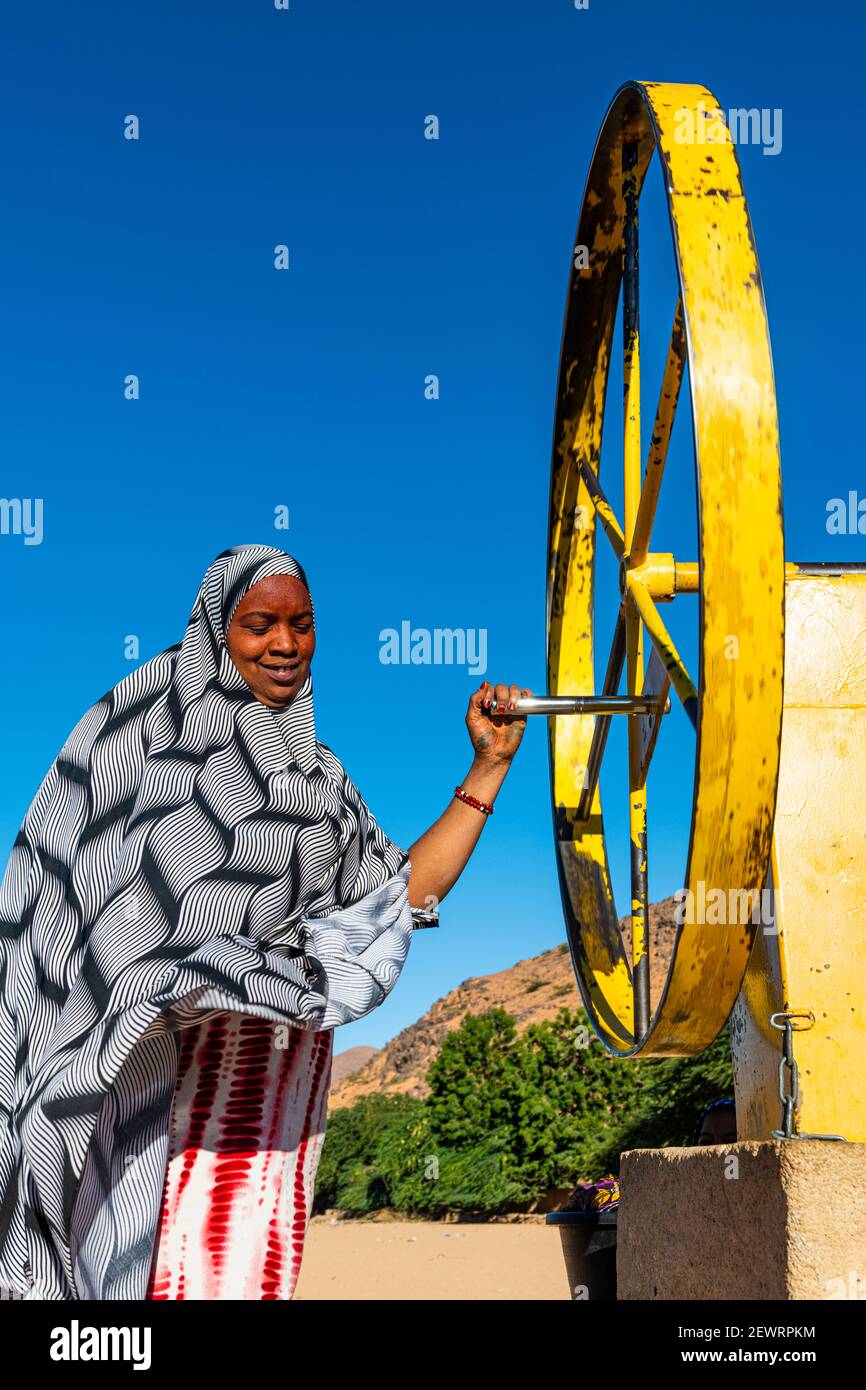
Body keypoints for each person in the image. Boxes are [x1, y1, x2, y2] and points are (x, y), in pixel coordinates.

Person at [0, 544, 530, 1300]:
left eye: (302, 624)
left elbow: (399, 899)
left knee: (236, 1273)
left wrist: (489, 767)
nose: (285, 644)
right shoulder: (135, 744)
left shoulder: (323, 782)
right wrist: (168, 981)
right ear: (218, 631)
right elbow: (56, 910)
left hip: (268, 1085)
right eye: (260, 624)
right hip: (143, 1076)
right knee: (133, 1278)